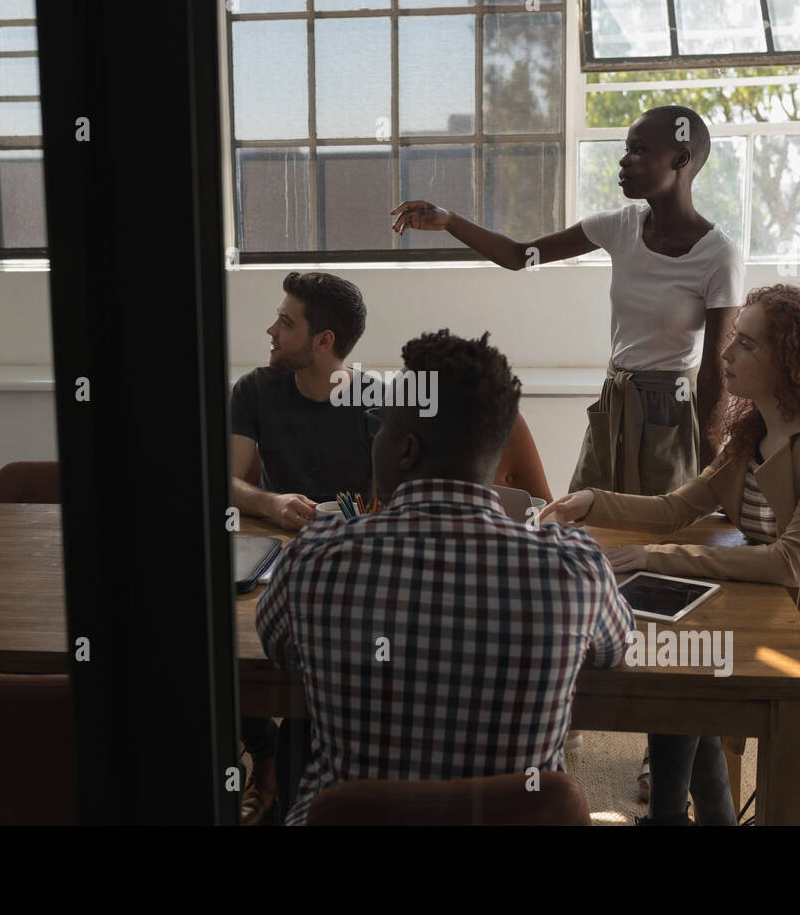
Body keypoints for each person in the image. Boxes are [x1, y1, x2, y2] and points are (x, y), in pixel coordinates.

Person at [391, 104, 744, 800]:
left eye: (637, 151)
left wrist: (713, 466)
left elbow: (715, 375)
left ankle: (670, 755)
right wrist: (449, 219)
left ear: (681, 162)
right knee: (586, 547)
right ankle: (580, 719)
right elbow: (521, 256)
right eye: (623, 148)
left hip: (672, 416)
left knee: (665, 578)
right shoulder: (619, 226)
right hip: (612, 408)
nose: (623, 160)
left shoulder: (719, 253)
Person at [541, 285, 800, 822]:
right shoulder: (750, 439)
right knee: (687, 686)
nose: (726, 355)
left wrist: (655, 558)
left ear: (792, 361)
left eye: (746, 345)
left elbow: (792, 561)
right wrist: (589, 502)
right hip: (778, 620)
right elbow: (673, 509)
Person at [257, 330, 635, 825]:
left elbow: (277, 648)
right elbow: (614, 648)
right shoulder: (575, 567)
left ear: (406, 450)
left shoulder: (315, 557)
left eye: (382, 429)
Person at [230, 270, 375, 824]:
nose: (271, 330)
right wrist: (269, 503)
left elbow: (387, 508)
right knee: (223, 648)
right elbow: (228, 481)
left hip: (345, 568)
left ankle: (299, 769)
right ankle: (265, 755)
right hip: (267, 556)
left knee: (324, 665)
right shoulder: (254, 391)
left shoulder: (374, 402)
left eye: (286, 323)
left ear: (324, 342)